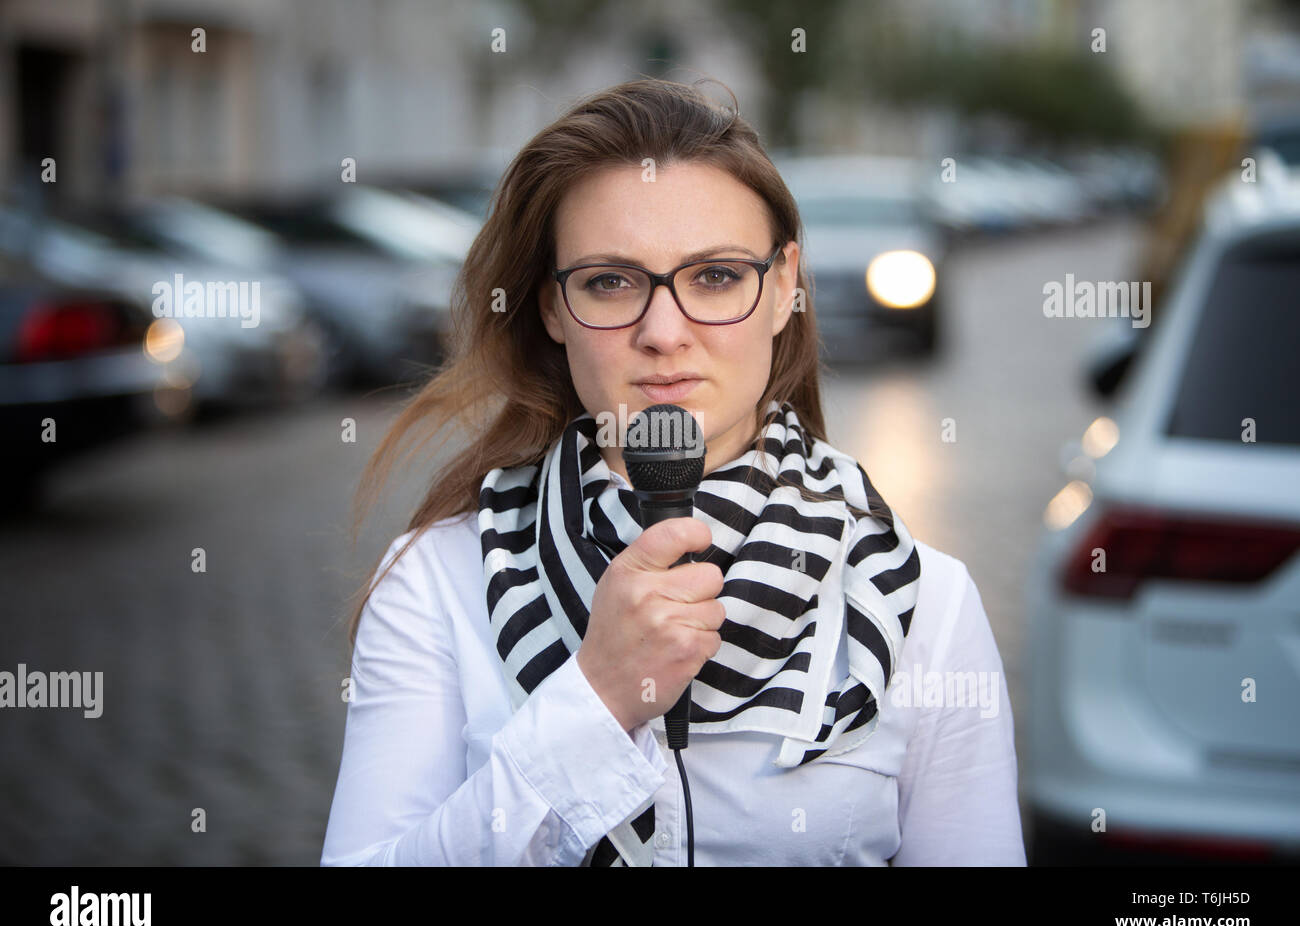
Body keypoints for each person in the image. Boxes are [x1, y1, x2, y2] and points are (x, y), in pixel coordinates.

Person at [320, 76, 1025, 866]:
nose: (663, 331)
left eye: (716, 276)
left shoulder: (922, 602)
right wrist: (594, 701)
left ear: (783, 284)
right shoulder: (437, 583)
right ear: (552, 309)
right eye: (609, 282)